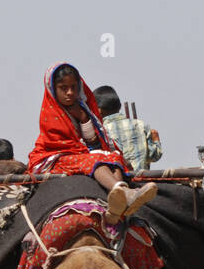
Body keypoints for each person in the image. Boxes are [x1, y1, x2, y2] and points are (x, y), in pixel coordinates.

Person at [27, 62, 158, 223]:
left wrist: (83, 117)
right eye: (63, 88)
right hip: (54, 158)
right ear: (53, 89)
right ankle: (123, 191)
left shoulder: (83, 108)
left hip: (79, 154)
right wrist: (90, 152)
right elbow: (63, 145)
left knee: (114, 156)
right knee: (95, 159)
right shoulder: (49, 113)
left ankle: (117, 200)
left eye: (74, 87)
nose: (70, 93)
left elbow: (93, 141)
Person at [93, 85, 163, 173]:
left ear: (98, 110)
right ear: (119, 106)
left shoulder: (101, 130)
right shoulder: (141, 125)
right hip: (142, 179)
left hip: (117, 178)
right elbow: (154, 156)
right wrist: (156, 139)